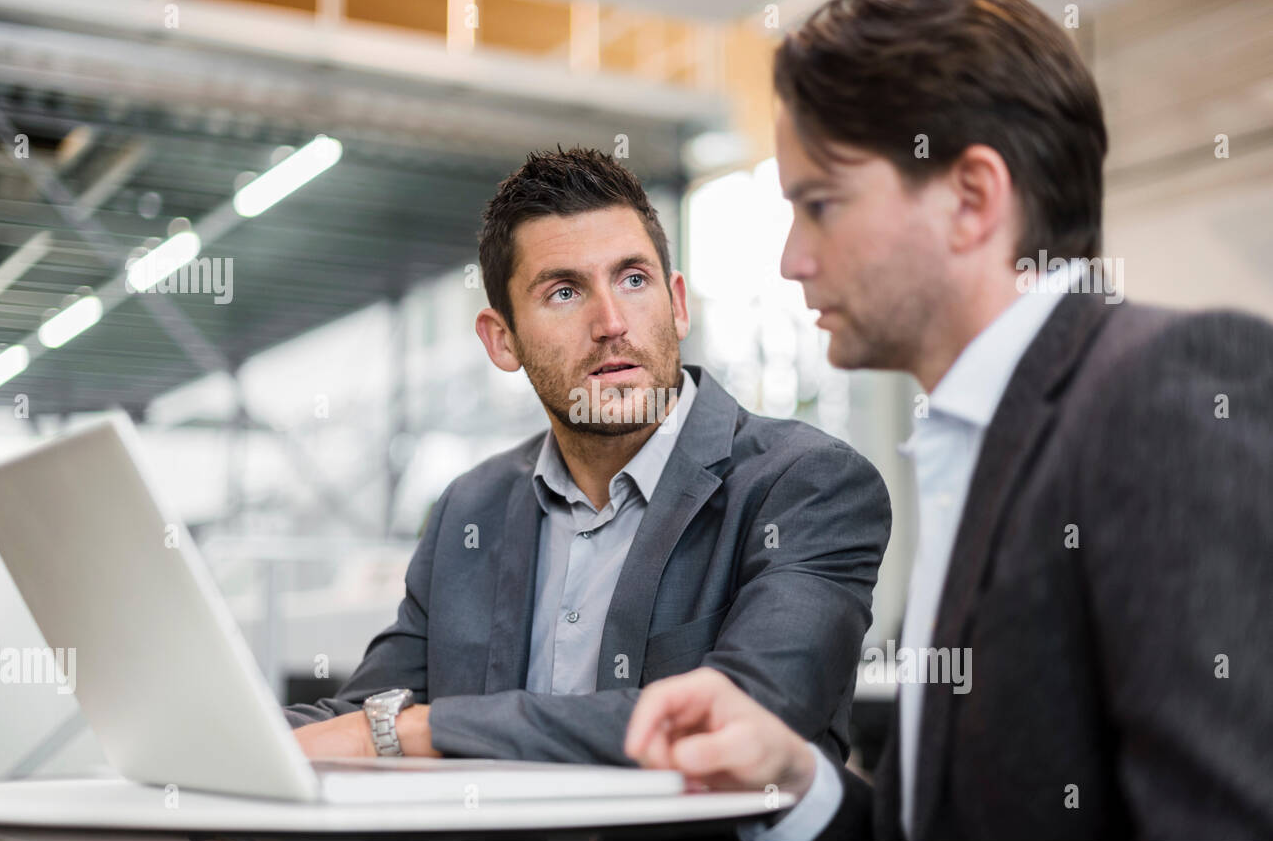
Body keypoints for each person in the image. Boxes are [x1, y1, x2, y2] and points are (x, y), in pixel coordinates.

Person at [625, 0, 1273, 841]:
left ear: (972, 199)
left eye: (818, 204)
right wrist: (794, 777)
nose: (791, 259)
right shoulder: (973, 441)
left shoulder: (1159, 391)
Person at [284, 147, 892, 781]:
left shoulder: (806, 485)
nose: (610, 322)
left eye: (633, 279)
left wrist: (417, 729)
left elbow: (741, 720)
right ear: (502, 340)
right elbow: (359, 719)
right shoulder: (471, 507)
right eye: (565, 291)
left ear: (677, 304)